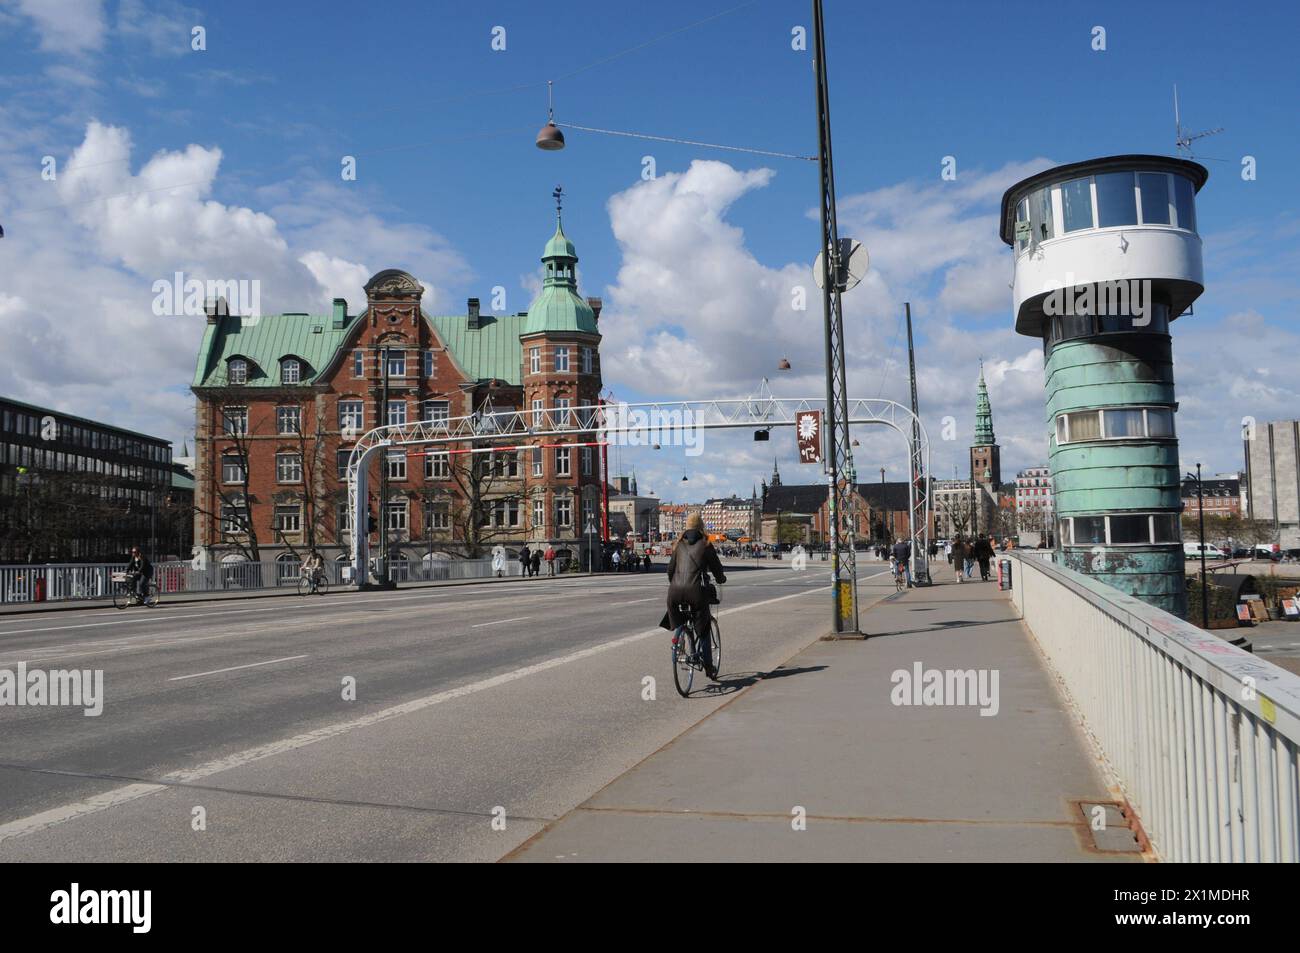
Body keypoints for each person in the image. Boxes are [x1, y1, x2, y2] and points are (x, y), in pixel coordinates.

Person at [661, 512, 727, 676]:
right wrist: (721, 578)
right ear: (701, 527)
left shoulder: (678, 544)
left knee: (682, 617)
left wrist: (676, 583)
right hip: (696, 593)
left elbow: (670, 570)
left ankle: (681, 636)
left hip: (674, 593)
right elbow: (716, 568)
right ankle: (709, 666)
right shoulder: (705, 544)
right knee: (704, 628)